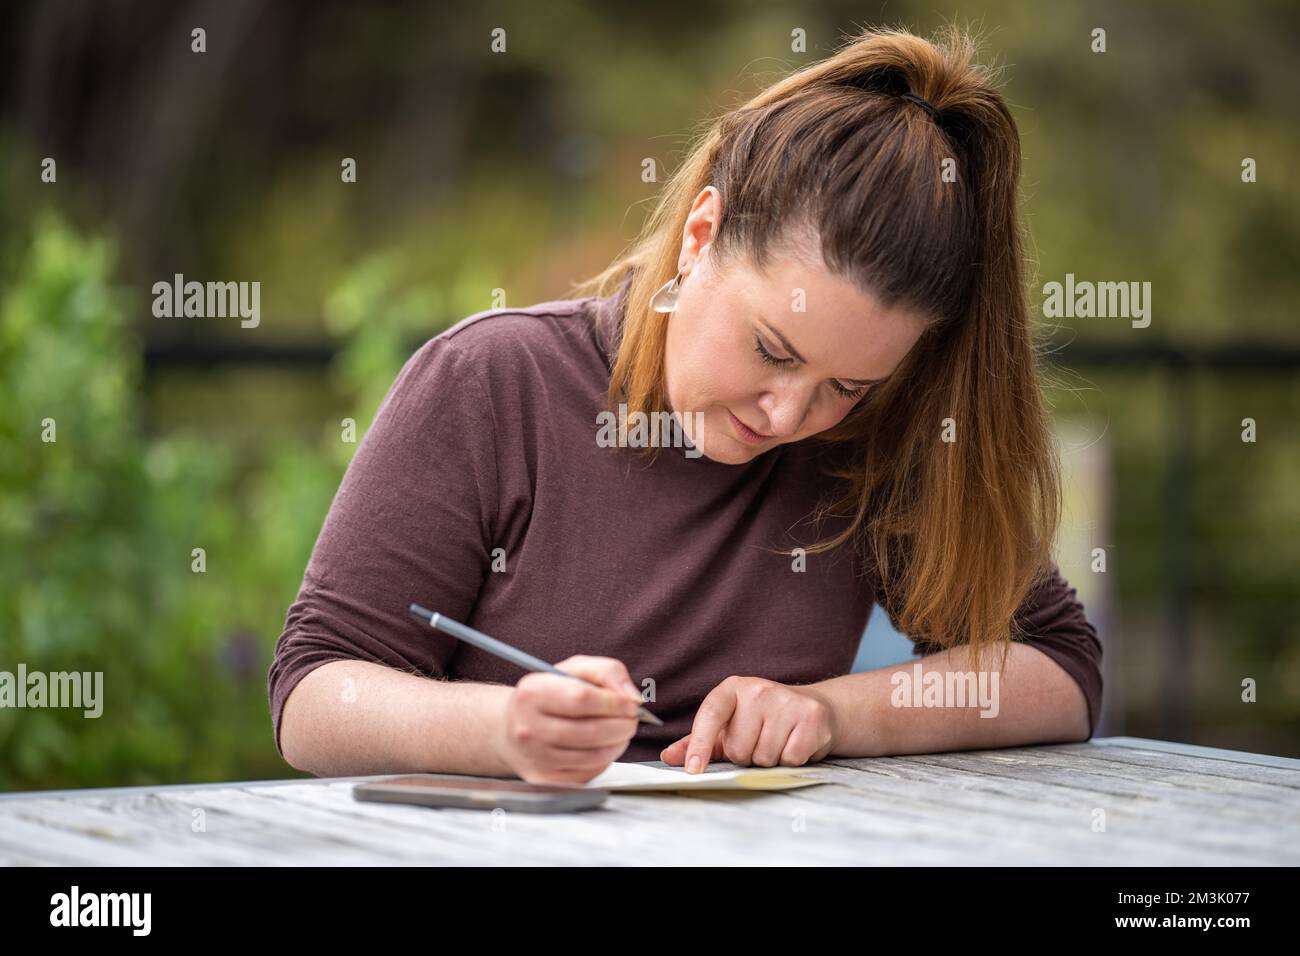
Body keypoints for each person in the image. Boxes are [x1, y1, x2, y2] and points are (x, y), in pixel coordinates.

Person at [269, 25, 1103, 785]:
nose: (787, 416)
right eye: (772, 350)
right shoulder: (492, 382)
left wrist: (832, 711)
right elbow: (312, 697)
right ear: (702, 234)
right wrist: (503, 729)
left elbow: (1059, 669)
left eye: (847, 387)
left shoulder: (880, 440)